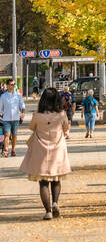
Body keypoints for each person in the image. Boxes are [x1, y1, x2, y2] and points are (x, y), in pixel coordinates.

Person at [18, 86, 71, 219]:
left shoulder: (37, 115)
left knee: (43, 182)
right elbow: (66, 128)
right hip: (57, 147)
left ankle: (48, 211)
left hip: (40, 149)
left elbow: (32, 127)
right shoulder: (61, 114)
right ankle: (55, 203)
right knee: (56, 179)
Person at [0, 78, 25, 158]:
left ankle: (13, 150)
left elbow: (22, 105)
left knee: (14, 135)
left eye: (14, 84)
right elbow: (0, 108)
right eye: (11, 84)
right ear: (7, 85)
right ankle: (6, 150)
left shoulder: (17, 95)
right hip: (6, 119)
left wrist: (22, 113)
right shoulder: (3, 96)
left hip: (16, 118)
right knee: (7, 134)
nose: (13, 86)